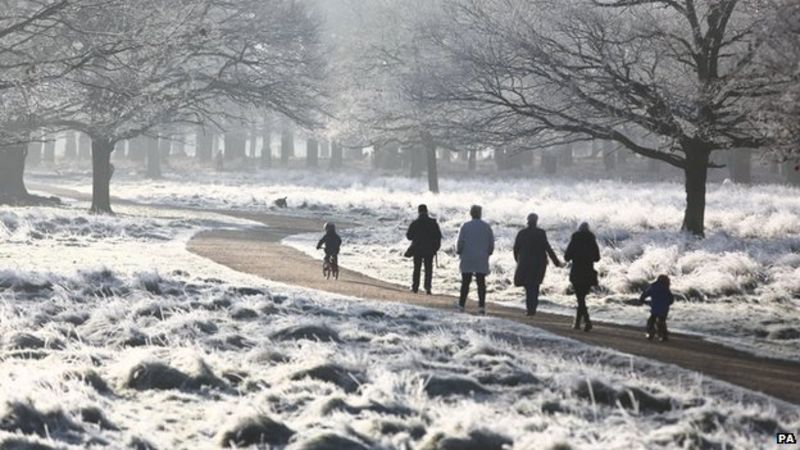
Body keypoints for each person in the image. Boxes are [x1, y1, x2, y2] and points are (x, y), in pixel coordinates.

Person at [513, 213, 562, 316]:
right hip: (539, 263)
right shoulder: (541, 233)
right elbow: (547, 248)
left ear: (528, 221)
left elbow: (515, 249)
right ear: (536, 221)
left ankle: (530, 308)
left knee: (527, 286)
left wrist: (518, 261)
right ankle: (533, 308)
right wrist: (556, 262)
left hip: (525, 263)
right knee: (535, 285)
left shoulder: (522, 233)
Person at [456, 205, 494, 315]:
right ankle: (481, 306)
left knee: (465, 282)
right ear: (480, 213)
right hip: (481, 257)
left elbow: (460, 242)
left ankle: (462, 305)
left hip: (468, 256)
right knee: (481, 283)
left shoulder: (465, 226)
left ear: (471, 213)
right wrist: (489, 252)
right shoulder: (486, 227)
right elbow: (491, 244)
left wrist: (459, 251)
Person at [564, 222, 601, 331]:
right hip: (588, 272)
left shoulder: (575, 239)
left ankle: (586, 320)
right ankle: (577, 323)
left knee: (580, 298)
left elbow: (567, 257)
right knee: (582, 298)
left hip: (576, 271)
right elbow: (597, 258)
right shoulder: (592, 240)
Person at [405, 204, 443, 294]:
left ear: (419, 212)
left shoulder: (415, 223)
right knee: (428, 269)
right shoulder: (433, 223)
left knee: (417, 268)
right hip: (429, 249)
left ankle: (415, 287)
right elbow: (438, 237)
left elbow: (409, 236)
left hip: (417, 248)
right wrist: (436, 248)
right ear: (427, 211)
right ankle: (428, 288)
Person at [640, 275, 675, 341]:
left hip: (655, 308)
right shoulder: (666, 289)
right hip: (664, 308)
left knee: (651, 321)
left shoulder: (653, 287)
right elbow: (671, 300)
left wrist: (643, 300)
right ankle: (663, 335)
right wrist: (667, 303)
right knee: (662, 321)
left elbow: (645, 294)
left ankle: (651, 333)